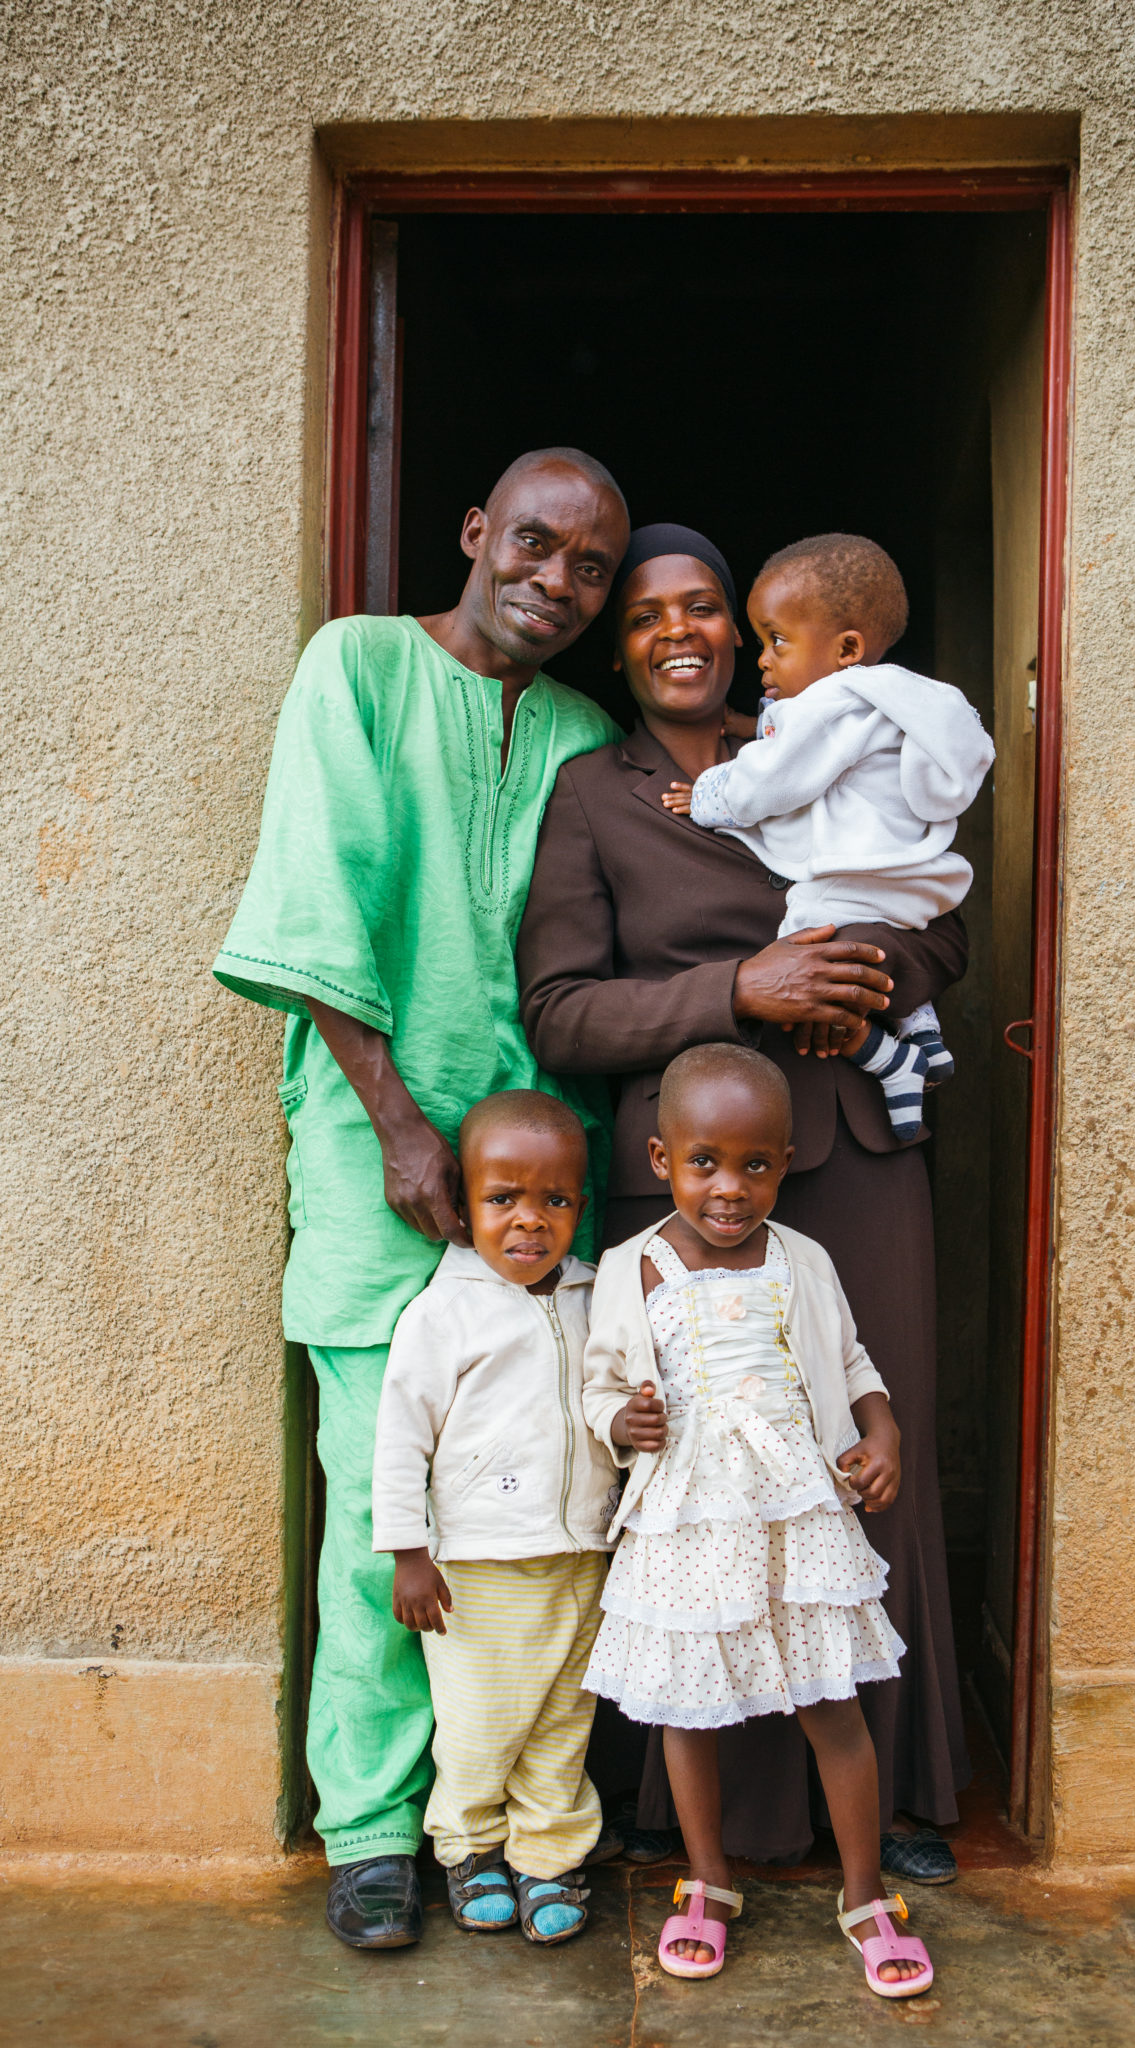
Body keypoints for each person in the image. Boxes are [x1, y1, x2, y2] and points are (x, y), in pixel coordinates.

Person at [213, 449, 630, 1948]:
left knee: (539, 1506)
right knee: (387, 1510)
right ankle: (375, 1828)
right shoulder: (361, 668)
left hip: (537, 1177)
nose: (557, 580)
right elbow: (318, 892)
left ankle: (516, 1825)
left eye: (591, 566)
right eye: (535, 542)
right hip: (378, 1150)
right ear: (474, 533)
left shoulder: (585, 725)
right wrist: (397, 1124)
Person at [516, 523, 971, 1882]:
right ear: (622, 643)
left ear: (743, 632)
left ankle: (885, 1799)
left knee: (864, 1453)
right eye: (649, 612)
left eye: (705, 609)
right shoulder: (596, 794)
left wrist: (862, 965)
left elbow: (934, 910)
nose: (679, 632)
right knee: (693, 1476)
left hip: (848, 1144)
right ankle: (691, 1812)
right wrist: (739, 990)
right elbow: (559, 1011)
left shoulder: (836, 727)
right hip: (685, 1174)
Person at [582, 1044, 933, 1999]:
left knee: (831, 1704)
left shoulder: (801, 1259)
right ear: (661, 1160)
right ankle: (707, 1882)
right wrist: (620, 1420)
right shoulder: (631, 1267)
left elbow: (851, 1361)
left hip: (794, 1510)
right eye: (703, 1162)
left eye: (754, 1165)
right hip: (690, 1518)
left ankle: (864, 1894)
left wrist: (881, 1427)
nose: (728, 1188)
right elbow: (596, 1384)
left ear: (784, 1161)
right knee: (689, 1714)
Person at [372, 1091, 618, 1947]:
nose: (529, 1221)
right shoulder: (444, 1313)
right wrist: (408, 1551)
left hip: (581, 1555)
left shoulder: (594, 1296)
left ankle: (548, 1859)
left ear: (578, 1208)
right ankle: (470, 1849)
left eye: (553, 1201)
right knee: (480, 1722)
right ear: (463, 1204)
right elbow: (401, 1437)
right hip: (474, 1568)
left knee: (561, 1719)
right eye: (502, 1198)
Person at [664, 533, 994, 1142]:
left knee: (804, 955)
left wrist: (709, 795)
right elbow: (791, 730)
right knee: (877, 947)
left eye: (777, 641)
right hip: (908, 881)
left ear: (846, 649)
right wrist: (746, 722)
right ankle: (921, 1027)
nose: (763, 658)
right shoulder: (896, 701)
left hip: (849, 877)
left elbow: (776, 776)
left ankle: (889, 1059)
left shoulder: (835, 702)